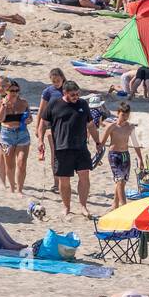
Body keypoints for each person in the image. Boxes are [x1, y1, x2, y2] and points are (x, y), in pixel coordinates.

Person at [43, 81, 96, 217]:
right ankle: (66, 206)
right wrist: (40, 141)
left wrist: (98, 141)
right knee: (64, 180)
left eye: (78, 94)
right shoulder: (54, 103)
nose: (76, 96)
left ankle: (83, 206)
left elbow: (90, 125)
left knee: (84, 176)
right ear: (65, 93)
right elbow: (43, 123)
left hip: (81, 147)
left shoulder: (83, 104)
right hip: (62, 148)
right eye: (73, 94)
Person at [99, 103, 144, 210]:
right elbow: (101, 143)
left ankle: (115, 204)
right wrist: (98, 158)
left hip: (125, 155)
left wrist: (140, 159)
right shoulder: (112, 127)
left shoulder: (130, 127)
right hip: (114, 155)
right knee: (119, 180)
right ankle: (124, 207)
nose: (125, 117)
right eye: (123, 115)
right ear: (118, 113)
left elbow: (135, 144)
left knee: (122, 182)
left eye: (127, 115)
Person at [0, 78, 31, 195]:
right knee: (9, 164)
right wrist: (5, 105)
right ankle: (12, 188)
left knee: (21, 163)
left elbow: (30, 118)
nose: (14, 92)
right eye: (12, 90)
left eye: (16, 90)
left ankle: (19, 189)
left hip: (22, 134)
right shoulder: (1, 103)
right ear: (7, 91)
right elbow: (0, 119)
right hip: (5, 135)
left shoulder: (23, 102)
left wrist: (28, 120)